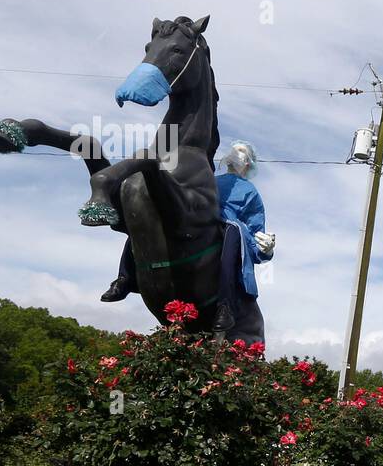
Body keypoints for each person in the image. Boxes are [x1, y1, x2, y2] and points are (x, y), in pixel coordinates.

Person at [102, 141, 276, 332]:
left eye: (242, 153)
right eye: (235, 151)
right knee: (153, 217)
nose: (237, 156)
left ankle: (225, 305)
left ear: (248, 164)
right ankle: (125, 277)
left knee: (233, 231)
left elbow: (256, 230)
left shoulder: (251, 192)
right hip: (199, 215)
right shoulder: (211, 180)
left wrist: (265, 249)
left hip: (227, 227)